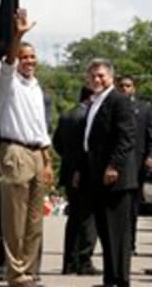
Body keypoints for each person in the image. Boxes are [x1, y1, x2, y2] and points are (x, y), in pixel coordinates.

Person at [0, 8, 52, 287]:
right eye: (23, 57)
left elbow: (41, 128)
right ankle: (15, 273)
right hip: (15, 153)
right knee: (15, 221)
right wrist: (18, 35)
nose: (28, 61)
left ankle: (28, 271)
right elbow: (7, 60)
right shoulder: (8, 82)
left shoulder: (36, 87)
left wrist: (48, 160)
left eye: (32, 57)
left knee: (34, 222)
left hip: (37, 153)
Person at [77, 59, 137, 287]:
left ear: (111, 77)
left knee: (118, 234)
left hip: (115, 178)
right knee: (105, 231)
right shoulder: (95, 102)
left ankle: (120, 280)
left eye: (101, 75)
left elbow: (126, 137)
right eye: (92, 76)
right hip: (97, 176)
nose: (97, 79)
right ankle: (110, 278)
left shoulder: (118, 101)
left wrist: (114, 166)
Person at [52, 86, 99, 275]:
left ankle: (69, 262)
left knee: (74, 219)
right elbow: (87, 147)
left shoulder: (66, 116)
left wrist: (69, 163)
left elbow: (57, 144)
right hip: (86, 172)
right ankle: (84, 260)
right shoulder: (90, 117)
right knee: (89, 219)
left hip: (69, 171)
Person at [116, 74, 152, 255]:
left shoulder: (144, 109)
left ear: (134, 88)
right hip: (117, 164)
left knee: (132, 207)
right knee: (117, 207)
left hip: (138, 164)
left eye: (128, 86)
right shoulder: (112, 107)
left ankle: (129, 244)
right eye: (122, 86)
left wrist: (151, 156)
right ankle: (116, 245)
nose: (125, 89)